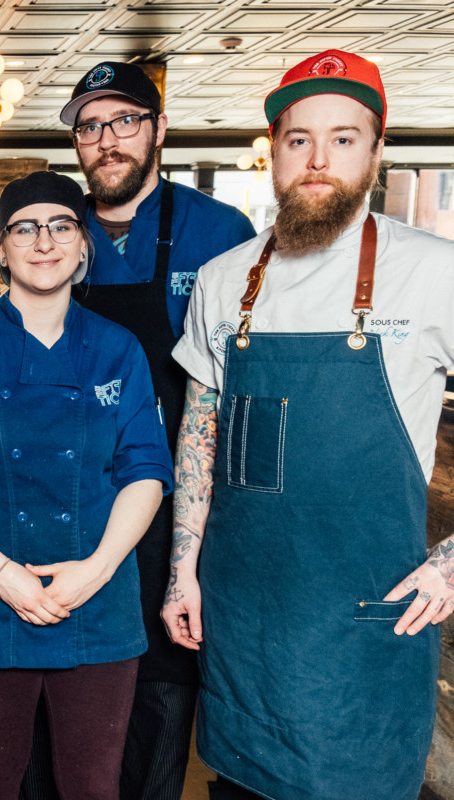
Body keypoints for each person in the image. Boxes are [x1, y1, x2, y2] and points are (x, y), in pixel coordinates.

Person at [161, 49, 454, 800]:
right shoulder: (228, 279)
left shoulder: (433, 272)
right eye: (299, 139)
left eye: (344, 138)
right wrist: (182, 572)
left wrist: (452, 561)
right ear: (274, 152)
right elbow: (201, 430)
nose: (319, 159)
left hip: (364, 631)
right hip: (245, 624)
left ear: (378, 149)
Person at [0, 170, 173, 800]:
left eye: (61, 226)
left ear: (83, 246)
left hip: (98, 605)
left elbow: (146, 472)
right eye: (25, 227)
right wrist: (2, 573)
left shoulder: (117, 349)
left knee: (93, 786)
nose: (43, 241)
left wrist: (96, 569)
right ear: (1, 249)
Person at [55, 61, 256, 800]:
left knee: (159, 703)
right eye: (90, 125)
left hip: (178, 513)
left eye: (125, 121)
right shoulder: (53, 226)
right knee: (64, 701)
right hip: (69, 502)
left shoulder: (219, 231)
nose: (107, 140)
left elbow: (240, 388)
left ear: (159, 129)